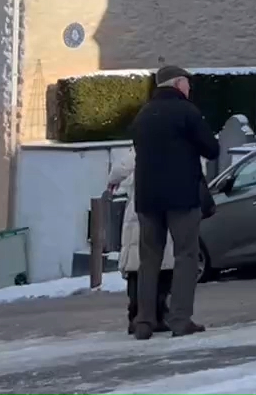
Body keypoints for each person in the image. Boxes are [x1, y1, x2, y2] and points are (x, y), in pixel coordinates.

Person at [129, 65, 217, 339]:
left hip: (147, 198)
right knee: (186, 255)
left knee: (149, 259)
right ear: (178, 83)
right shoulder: (186, 112)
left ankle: (144, 321)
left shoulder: (142, 114)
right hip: (181, 196)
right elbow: (212, 149)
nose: (190, 89)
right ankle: (180, 319)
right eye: (188, 84)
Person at [106, 154, 172, 333]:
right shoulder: (172, 145)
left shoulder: (136, 153)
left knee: (137, 267)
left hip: (138, 212)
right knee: (162, 267)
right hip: (163, 210)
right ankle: (158, 313)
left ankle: (137, 314)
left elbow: (115, 173)